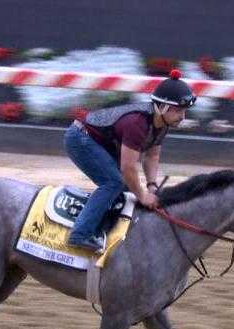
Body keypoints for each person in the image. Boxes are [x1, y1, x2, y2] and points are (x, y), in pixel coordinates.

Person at [64, 69, 196, 252]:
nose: (182, 117)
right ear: (162, 107)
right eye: (178, 110)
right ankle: (80, 234)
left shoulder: (163, 123)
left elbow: (152, 155)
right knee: (113, 183)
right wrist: (142, 195)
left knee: (126, 188)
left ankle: (107, 229)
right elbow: (128, 168)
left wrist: (151, 185)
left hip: (98, 141)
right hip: (80, 138)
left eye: (184, 111)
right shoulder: (138, 124)